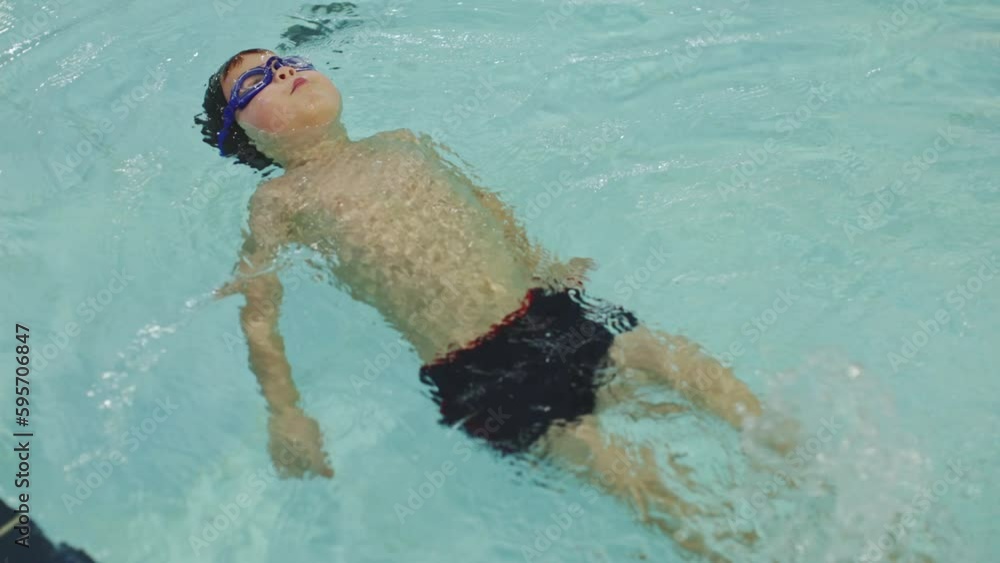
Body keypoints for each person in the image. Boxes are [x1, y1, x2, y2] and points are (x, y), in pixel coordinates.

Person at [201, 49, 782, 560]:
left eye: (288, 63)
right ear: (245, 139)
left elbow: (482, 202)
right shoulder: (278, 201)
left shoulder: (402, 142)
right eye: (257, 83)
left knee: (670, 359)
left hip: (543, 309)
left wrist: (545, 266)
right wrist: (285, 411)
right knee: (624, 473)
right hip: (476, 368)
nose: (283, 71)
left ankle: (793, 452)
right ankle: (739, 551)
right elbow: (259, 308)